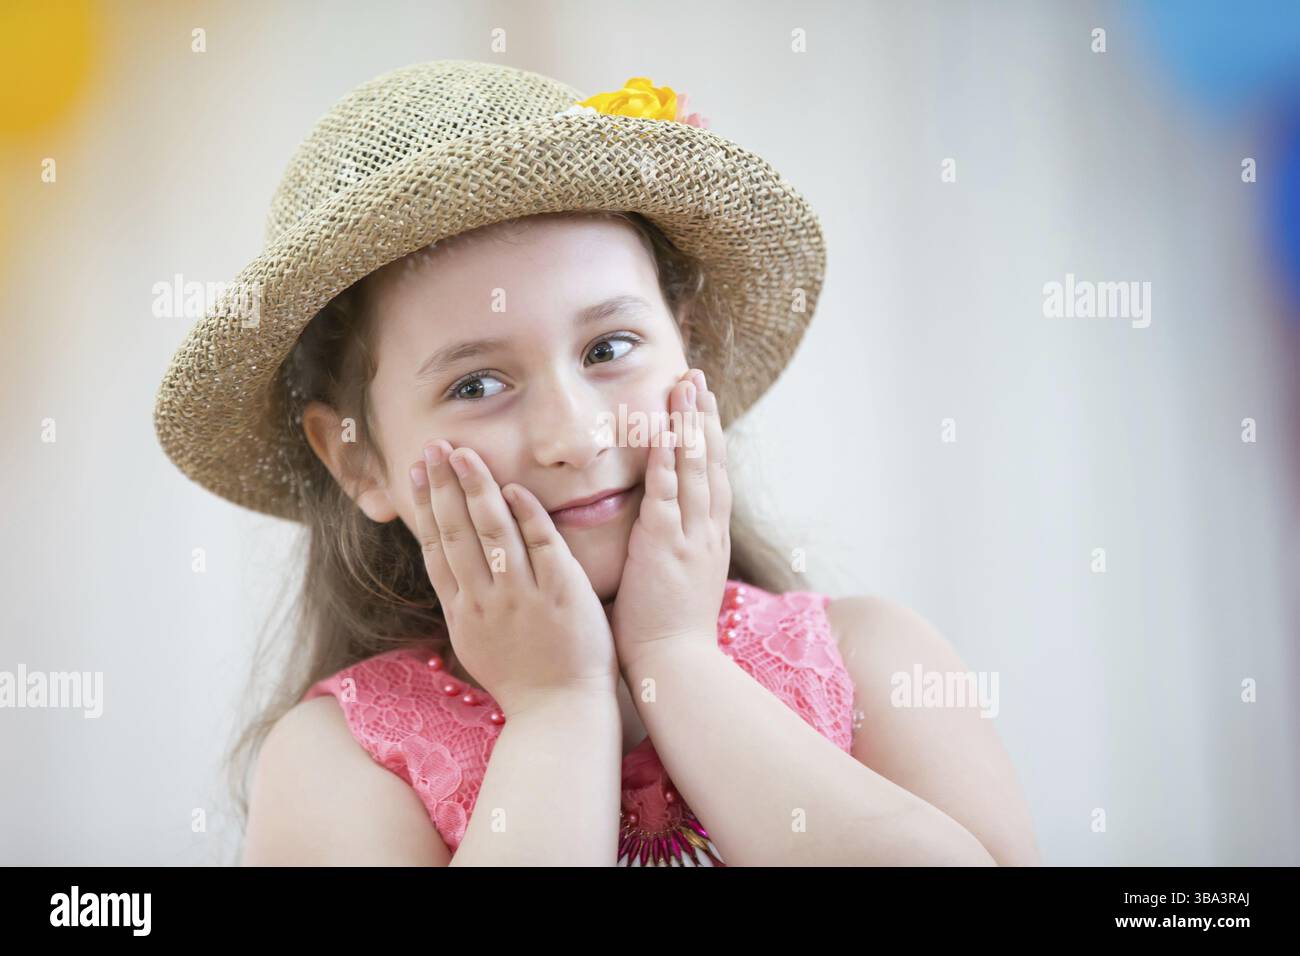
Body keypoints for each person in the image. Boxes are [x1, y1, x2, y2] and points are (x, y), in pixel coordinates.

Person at [153, 62, 1039, 866]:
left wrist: (676, 659)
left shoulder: (871, 658)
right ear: (357, 458)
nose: (572, 436)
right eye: (477, 383)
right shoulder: (339, 762)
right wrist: (556, 710)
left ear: (685, 353)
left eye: (610, 346)